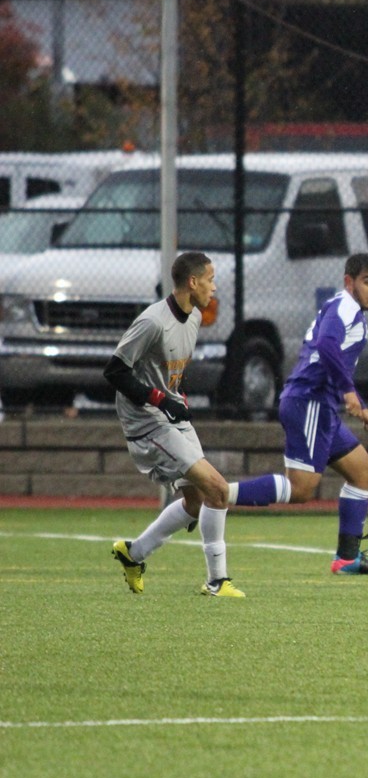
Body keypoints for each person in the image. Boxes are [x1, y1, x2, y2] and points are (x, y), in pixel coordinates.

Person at [227, 253, 368, 574]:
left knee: (362, 472)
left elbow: (333, 356)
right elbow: (328, 346)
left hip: (321, 405)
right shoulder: (344, 306)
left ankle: (347, 558)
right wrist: (347, 391)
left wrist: (359, 402)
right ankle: (220, 492)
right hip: (310, 403)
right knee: (301, 489)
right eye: (367, 281)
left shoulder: (348, 310)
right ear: (349, 282)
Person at [103, 251, 244, 597]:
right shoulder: (152, 321)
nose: (214, 287)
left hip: (169, 414)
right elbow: (114, 371)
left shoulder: (194, 316)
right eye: (210, 279)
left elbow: (167, 374)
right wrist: (159, 399)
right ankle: (217, 581)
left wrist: (174, 395)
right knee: (218, 488)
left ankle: (133, 554)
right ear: (192, 282)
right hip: (147, 422)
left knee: (196, 501)